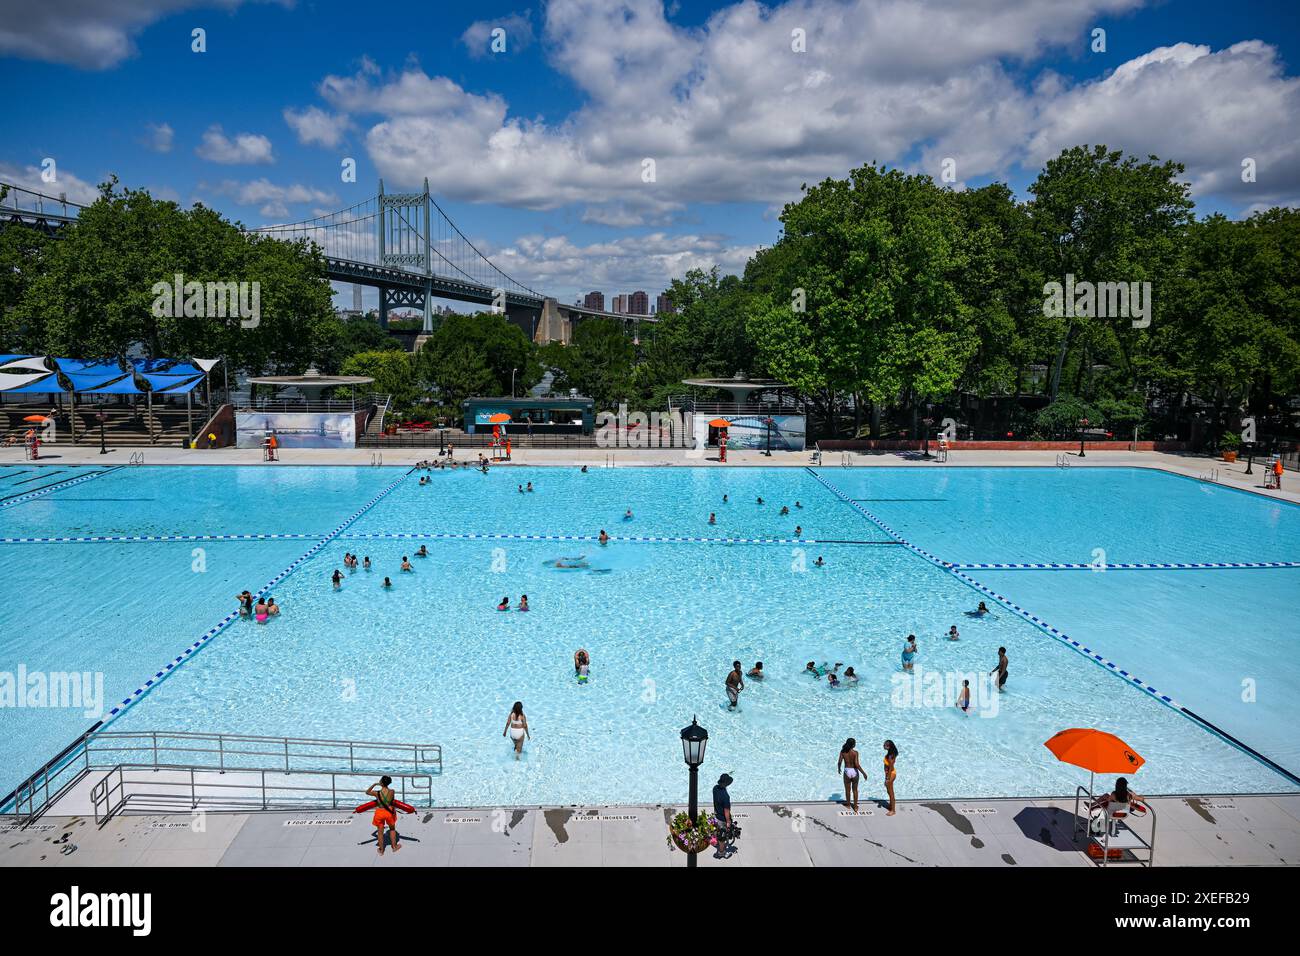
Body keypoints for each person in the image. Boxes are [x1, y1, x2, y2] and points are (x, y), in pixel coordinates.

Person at [365, 775, 402, 855]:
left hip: (380, 812)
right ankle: (394, 847)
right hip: (389, 812)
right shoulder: (392, 791)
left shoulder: (376, 793)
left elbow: (367, 792)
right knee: (392, 829)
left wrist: (375, 784)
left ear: (381, 782)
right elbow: (392, 801)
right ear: (389, 783)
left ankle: (381, 851)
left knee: (380, 832)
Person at [838, 738, 866, 813]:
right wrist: (863, 773)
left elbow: (839, 762)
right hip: (854, 771)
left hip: (847, 771)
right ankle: (855, 806)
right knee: (855, 790)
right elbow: (857, 764)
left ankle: (848, 804)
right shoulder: (855, 753)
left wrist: (839, 768)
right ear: (853, 745)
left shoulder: (843, 752)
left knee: (847, 790)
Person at [712, 773, 736, 859]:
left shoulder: (715, 788)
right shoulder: (725, 796)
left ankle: (715, 839)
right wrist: (728, 821)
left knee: (718, 830)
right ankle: (721, 852)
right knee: (722, 837)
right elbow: (726, 811)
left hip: (716, 814)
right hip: (722, 818)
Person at [882, 740, 898, 815]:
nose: (883, 746)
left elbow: (891, 767)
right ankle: (891, 805)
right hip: (889, 774)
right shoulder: (890, 754)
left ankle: (893, 810)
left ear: (889, 746)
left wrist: (887, 778)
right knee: (888, 791)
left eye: (885, 745)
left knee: (891, 793)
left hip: (890, 774)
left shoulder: (891, 755)